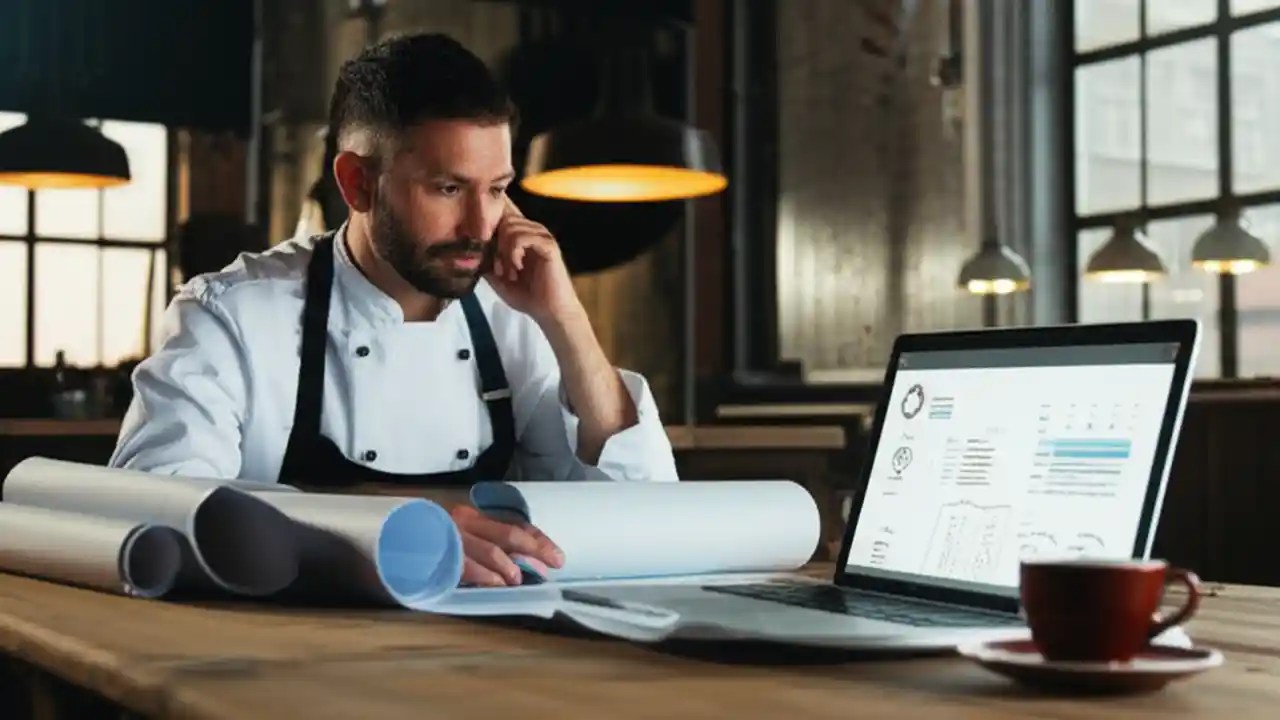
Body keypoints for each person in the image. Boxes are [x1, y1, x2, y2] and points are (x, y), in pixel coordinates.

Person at [109, 32, 679, 587]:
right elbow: (157, 513)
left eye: (498, 189)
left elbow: (642, 509)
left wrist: (567, 319)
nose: (482, 227)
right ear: (357, 183)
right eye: (448, 189)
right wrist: (395, 528)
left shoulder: (517, 317)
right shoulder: (231, 315)